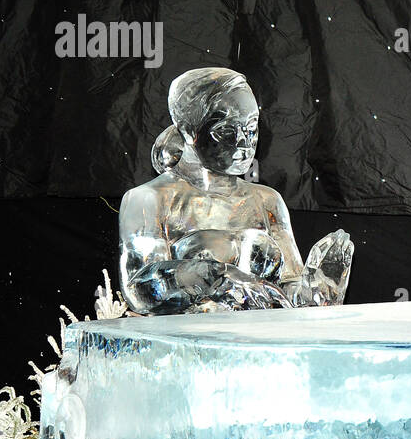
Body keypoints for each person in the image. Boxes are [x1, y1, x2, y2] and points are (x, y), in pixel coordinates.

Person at [119, 67, 352, 314]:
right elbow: (139, 292)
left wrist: (318, 286)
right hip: (192, 344)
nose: (245, 141)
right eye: (226, 131)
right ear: (188, 131)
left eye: (251, 127)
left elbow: (289, 292)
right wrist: (198, 276)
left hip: (259, 342)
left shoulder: (267, 201)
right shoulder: (150, 199)